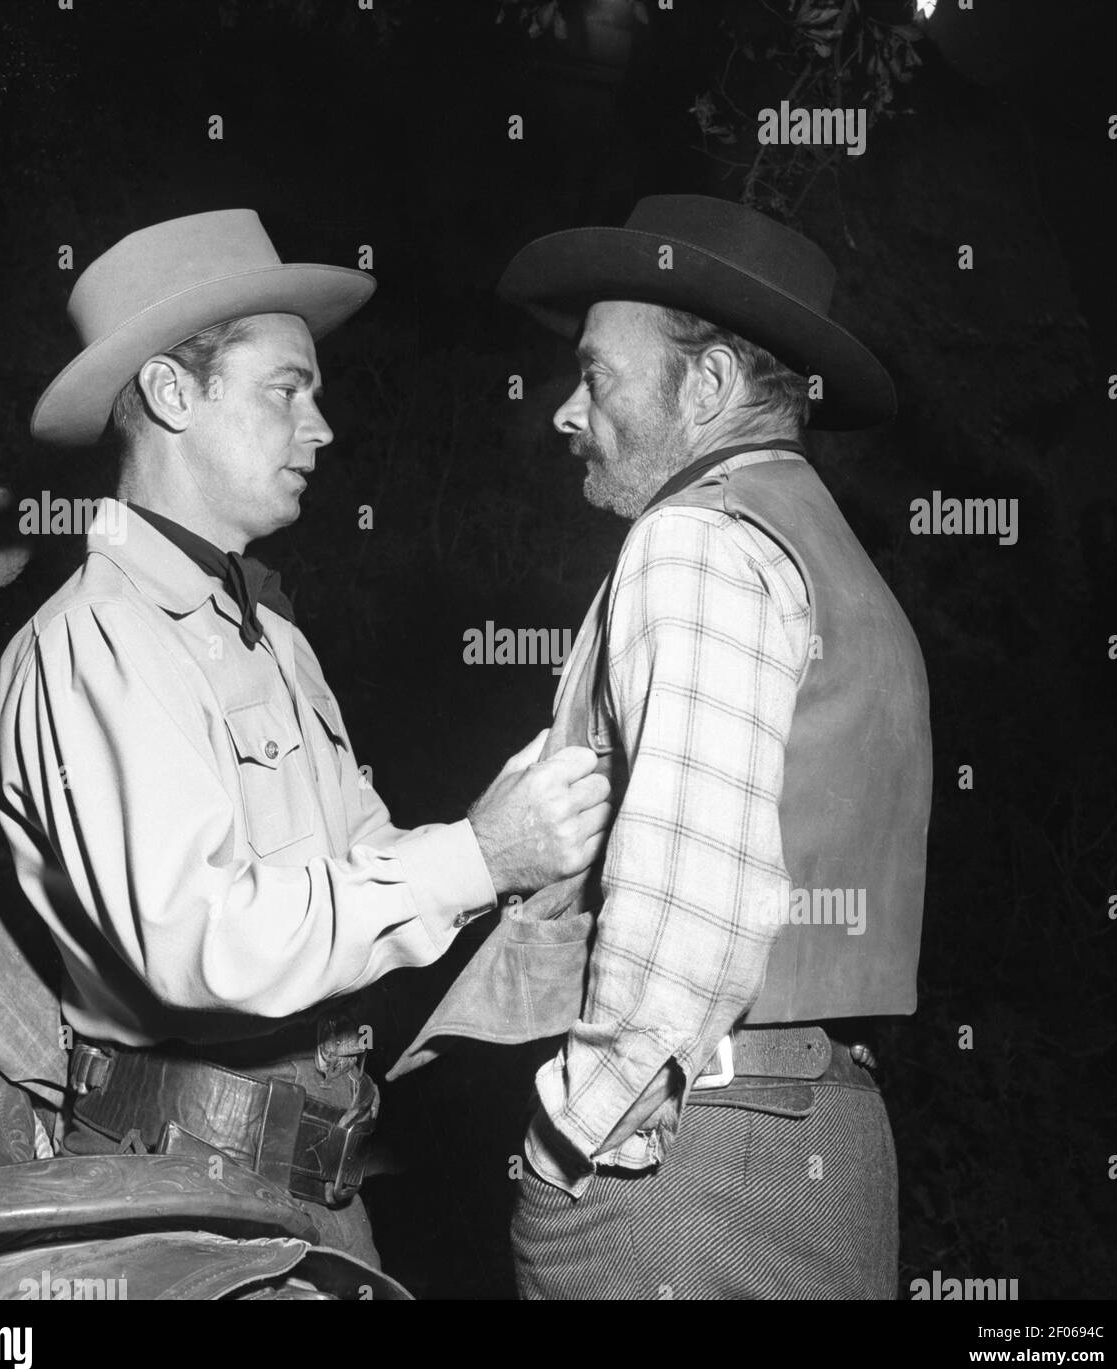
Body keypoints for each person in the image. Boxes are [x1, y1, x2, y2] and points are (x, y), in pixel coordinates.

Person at [0, 208, 611, 1266]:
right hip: (178, 1197)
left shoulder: (270, 636)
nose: (321, 427)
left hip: (310, 1183)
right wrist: (477, 852)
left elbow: (365, 870)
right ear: (172, 393)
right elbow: (205, 945)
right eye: (287, 390)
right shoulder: (96, 642)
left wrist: (504, 842)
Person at [393, 194, 931, 1299]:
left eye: (596, 374)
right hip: (820, 1133)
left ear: (710, 388)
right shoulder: (833, 560)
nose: (564, 409)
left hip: (691, 1161)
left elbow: (693, 900)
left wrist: (570, 1142)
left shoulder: (689, 542)